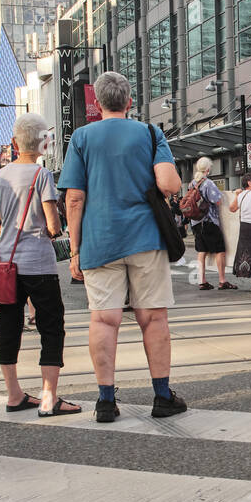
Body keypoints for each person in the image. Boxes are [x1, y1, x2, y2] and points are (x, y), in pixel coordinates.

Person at [58, 72, 186, 421]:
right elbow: (168, 183)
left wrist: (75, 250)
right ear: (130, 102)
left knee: (104, 319)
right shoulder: (149, 132)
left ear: (96, 105)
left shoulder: (81, 137)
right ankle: (162, 396)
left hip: (100, 239)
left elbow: (74, 198)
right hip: (146, 237)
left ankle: (105, 401)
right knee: (153, 316)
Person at [0, 113, 76, 417]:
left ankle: (14, 395)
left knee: (8, 329)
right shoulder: (42, 175)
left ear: (14, 142)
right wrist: (55, 229)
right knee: (51, 328)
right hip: (39, 264)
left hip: (7, 265)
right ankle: (48, 398)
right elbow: (52, 223)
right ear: (42, 143)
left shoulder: (0, 176)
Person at [187, 157, 232, 290]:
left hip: (195, 222)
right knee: (220, 250)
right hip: (209, 221)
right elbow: (217, 200)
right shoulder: (208, 183)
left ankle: (202, 281)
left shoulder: (192, 184)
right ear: (208, 169)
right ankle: (222, 280)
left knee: (202, 251)